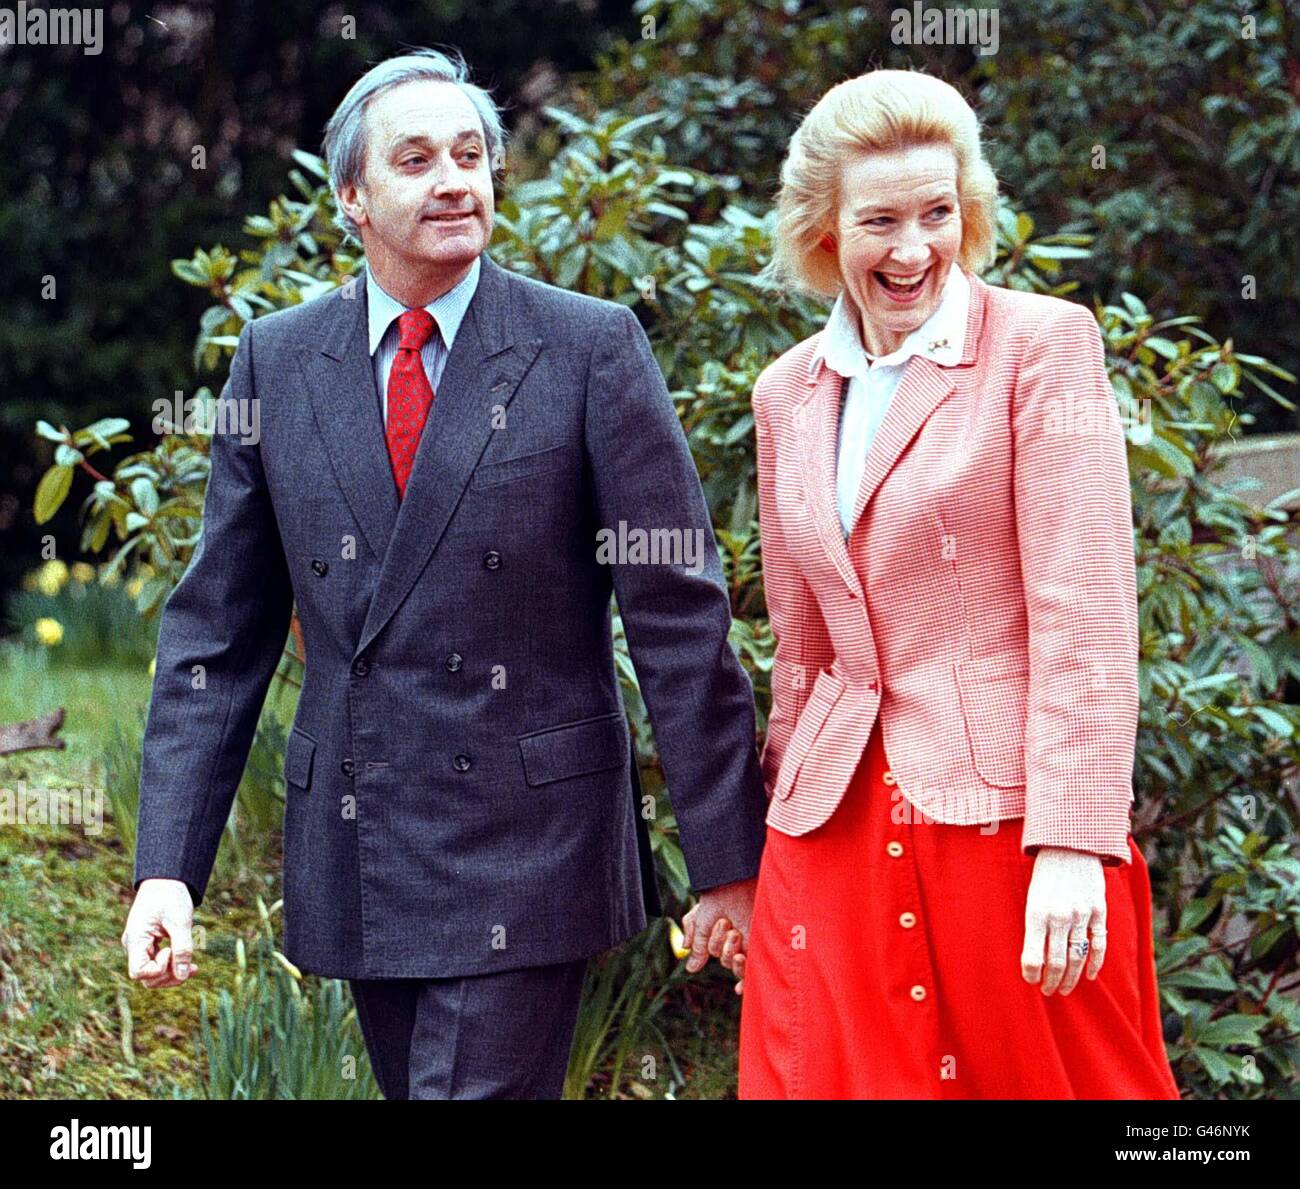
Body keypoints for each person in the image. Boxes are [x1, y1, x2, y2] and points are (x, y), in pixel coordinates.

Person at [120, 47, 764, 1100]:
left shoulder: (588, 347)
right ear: (353, 198)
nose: (454, 179)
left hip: (532, 840)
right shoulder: (277, 360)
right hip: (361, 845)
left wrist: (728, 862)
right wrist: (166, 869)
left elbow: (678, 618)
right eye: (415, 159)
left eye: (471, 154)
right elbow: (217, 635)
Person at [735, 67, 1180, 1100]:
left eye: (937, 213)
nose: (911, 248)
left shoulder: (1042, 347)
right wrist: (773, 824)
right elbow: (800, 651)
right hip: (832, 833)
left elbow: (1088, 615)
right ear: (821, 228)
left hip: (1006, 832)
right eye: (878, 220)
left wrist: (1074, 841)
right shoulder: (786, 394)